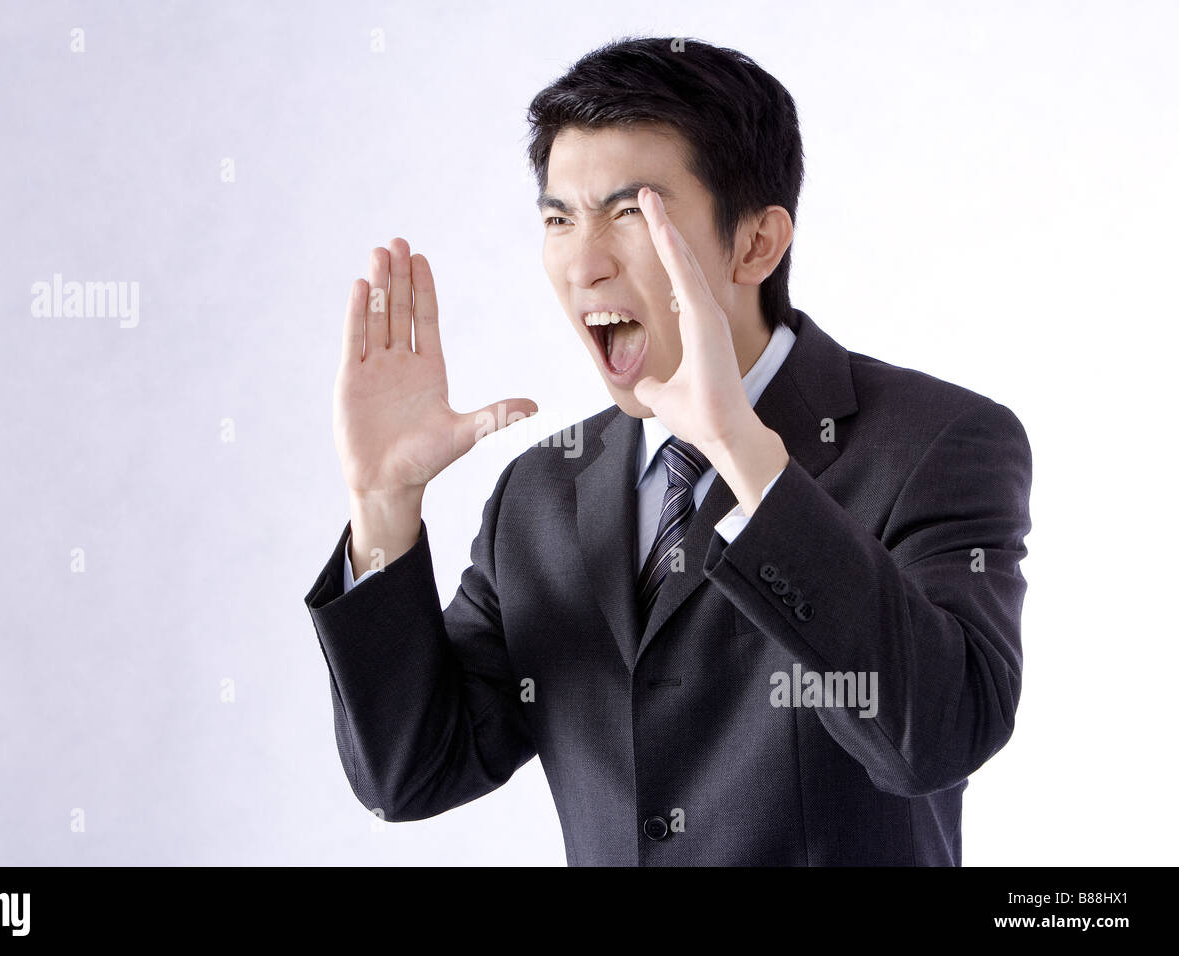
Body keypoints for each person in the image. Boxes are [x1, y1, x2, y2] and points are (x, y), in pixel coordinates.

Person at [304, 36, 1032, 865]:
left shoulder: (936, 442)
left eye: (628, 213)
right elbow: (412, 774)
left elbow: (935, 738)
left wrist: (745, 456)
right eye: (558, 219)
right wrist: (383, 507)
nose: (585, 264)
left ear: (756, 244)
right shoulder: (539, 494)